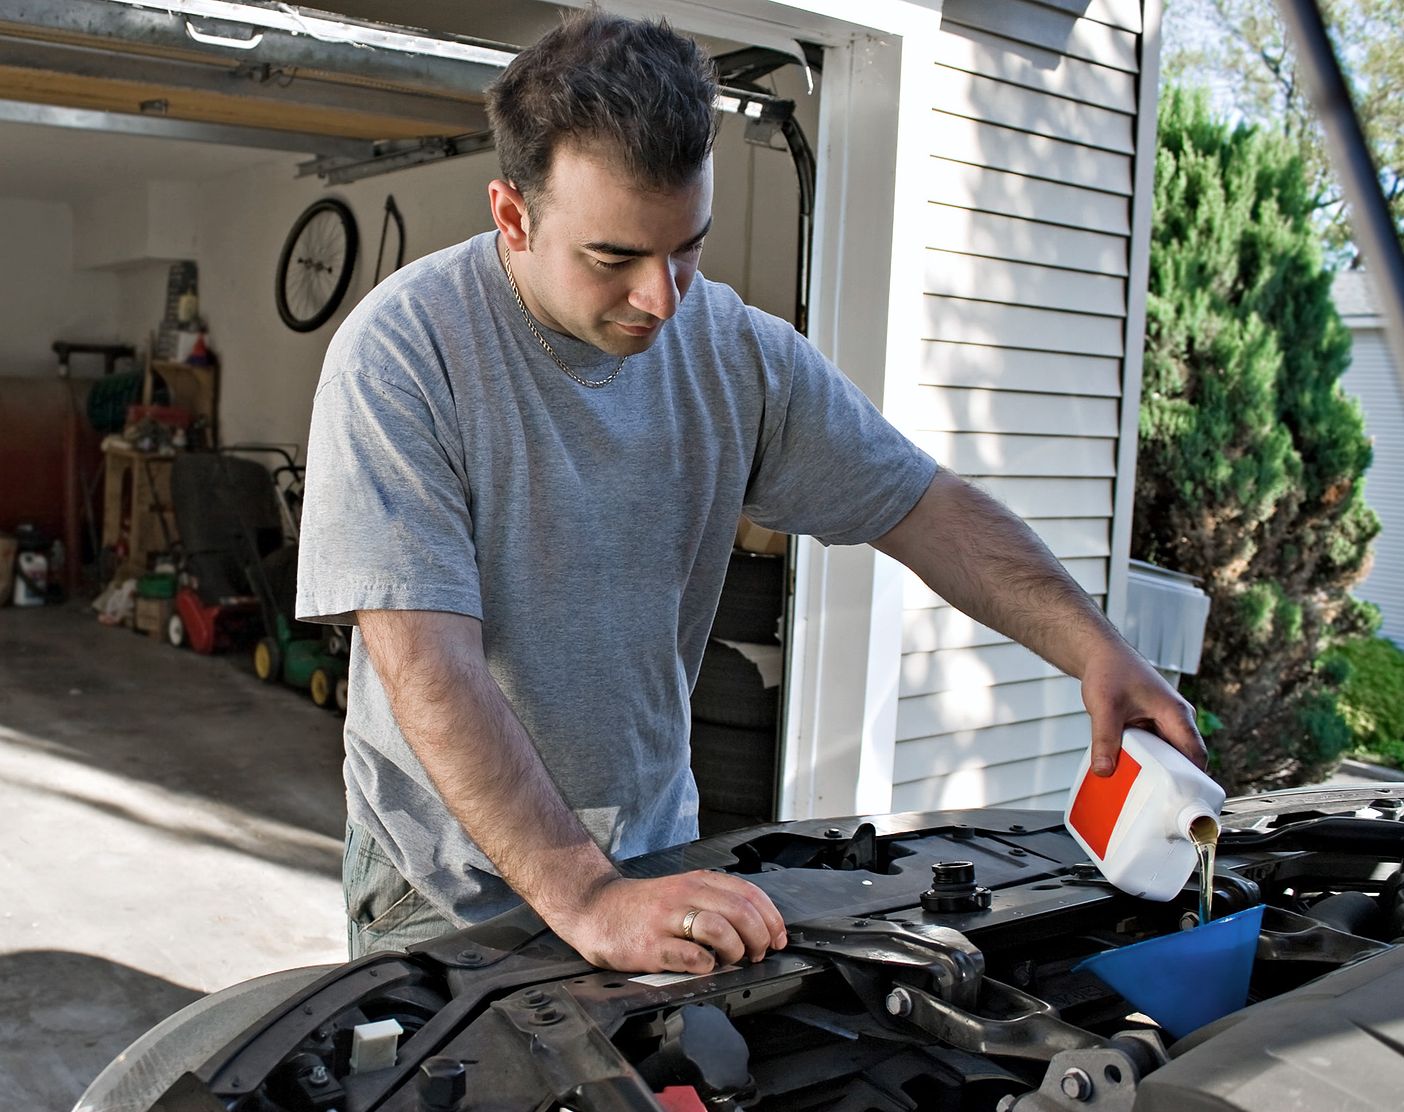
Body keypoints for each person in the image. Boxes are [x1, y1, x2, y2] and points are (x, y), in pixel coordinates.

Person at [296, 10, 1204, 973]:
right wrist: (587, 894)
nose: (663, 296)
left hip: (652, 853)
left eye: (686, 246)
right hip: (447, 892)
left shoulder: (735, 354)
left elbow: (925, 508)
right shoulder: (403, 356)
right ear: (513, 216)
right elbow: (430, 668)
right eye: (613, 259)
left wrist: (1097, 650)